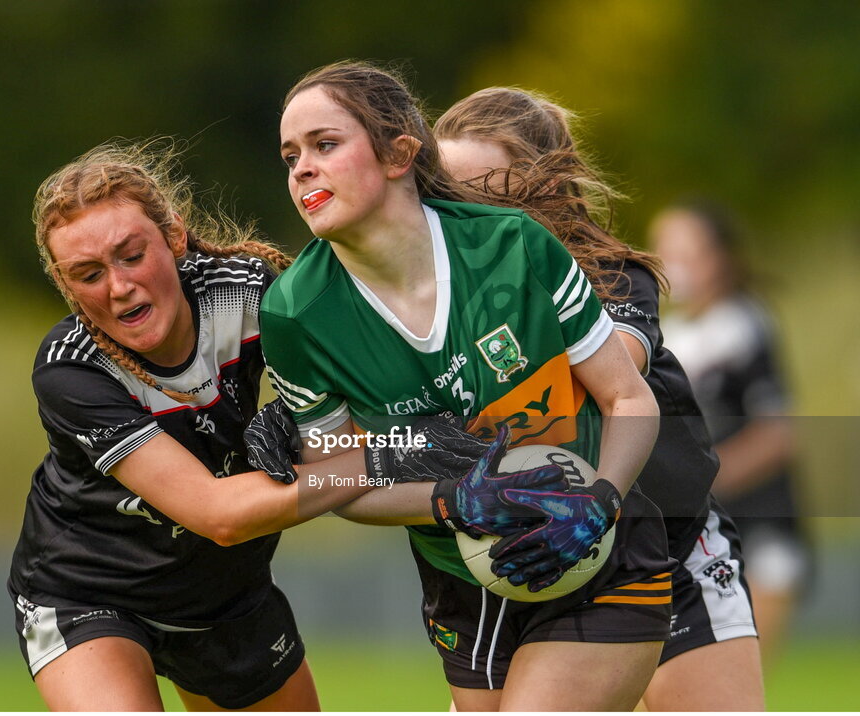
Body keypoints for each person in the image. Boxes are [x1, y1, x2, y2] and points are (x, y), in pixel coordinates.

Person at [6, 139, 525, 711]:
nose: (118, 285)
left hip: (227, 596)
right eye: (87, 274)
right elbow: (218, 516)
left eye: (132, 255)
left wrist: (302, 419)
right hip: (87, 590)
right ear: (65, 285)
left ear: (174, 237)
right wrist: (397, 454)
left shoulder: (252, 294)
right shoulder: (71, 370)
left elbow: (350, 420)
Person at [260, 61, 675, 712]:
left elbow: (629, 399)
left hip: (604, 557)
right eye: (290, 156)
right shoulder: (293, 314)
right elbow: (337, 481)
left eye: (325, 144)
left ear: (400, 154)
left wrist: (600, 498)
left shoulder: (514, 247)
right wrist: (452, 500)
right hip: (463, 584)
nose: (301, 169)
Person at [432, 87, 765, 710]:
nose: (464, 221)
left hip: (670, 549)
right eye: (446, 199)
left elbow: (604, 381)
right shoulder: (433, 304)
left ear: (548, 193)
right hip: (538, 575)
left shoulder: (611, 276)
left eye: (486, 197)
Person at [649, 199, 809, 668]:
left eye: (686, 249)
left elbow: (777, 435)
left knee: (738, 672)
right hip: (694, 531)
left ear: (719, 257)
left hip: (760, 524)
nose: (672, 262)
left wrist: (699, 478)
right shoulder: (664, 335)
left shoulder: (745, 326)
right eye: (664, 249)